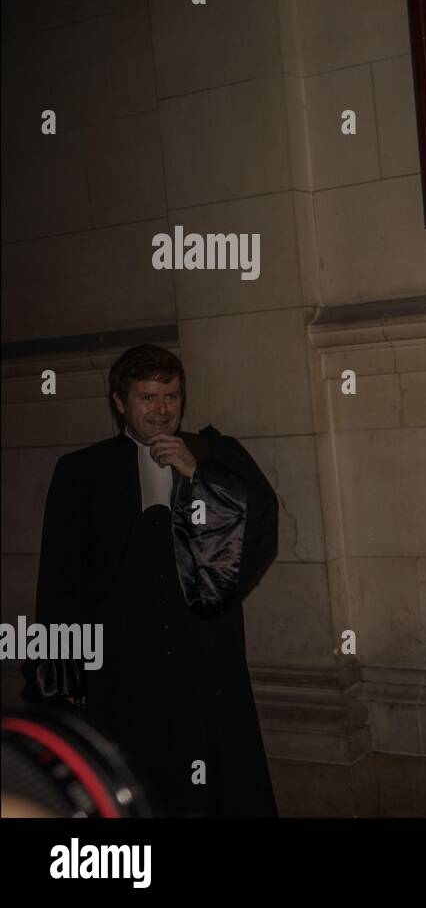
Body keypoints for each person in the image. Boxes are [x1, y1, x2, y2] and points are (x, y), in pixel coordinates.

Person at [22, 345, 279, 817]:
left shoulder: (217, 456)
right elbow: (61, 578)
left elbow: (259, 532)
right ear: (120, 402)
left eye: (171, 396)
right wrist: (63, 669)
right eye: (148, 397)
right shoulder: (82, 470)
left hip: (205, 657)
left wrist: (198, 476)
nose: (162, 409)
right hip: (123, 664)